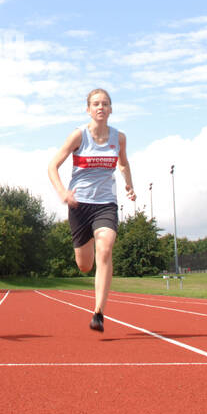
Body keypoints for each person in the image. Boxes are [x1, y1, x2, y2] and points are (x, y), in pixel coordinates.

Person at [47, 88, 135, 332]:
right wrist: (63, 192)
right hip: (79, 205)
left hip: (106, 204)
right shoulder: (78, 136)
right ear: (88, 109)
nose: (100, 107)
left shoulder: (119, 138)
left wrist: (129, 184)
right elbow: (52, 166)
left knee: (105, 248)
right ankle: (89, 260)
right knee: (84, 265)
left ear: (110, 109)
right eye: (96, 104)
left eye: (105, 104)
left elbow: (124, 163)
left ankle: (98, 313)